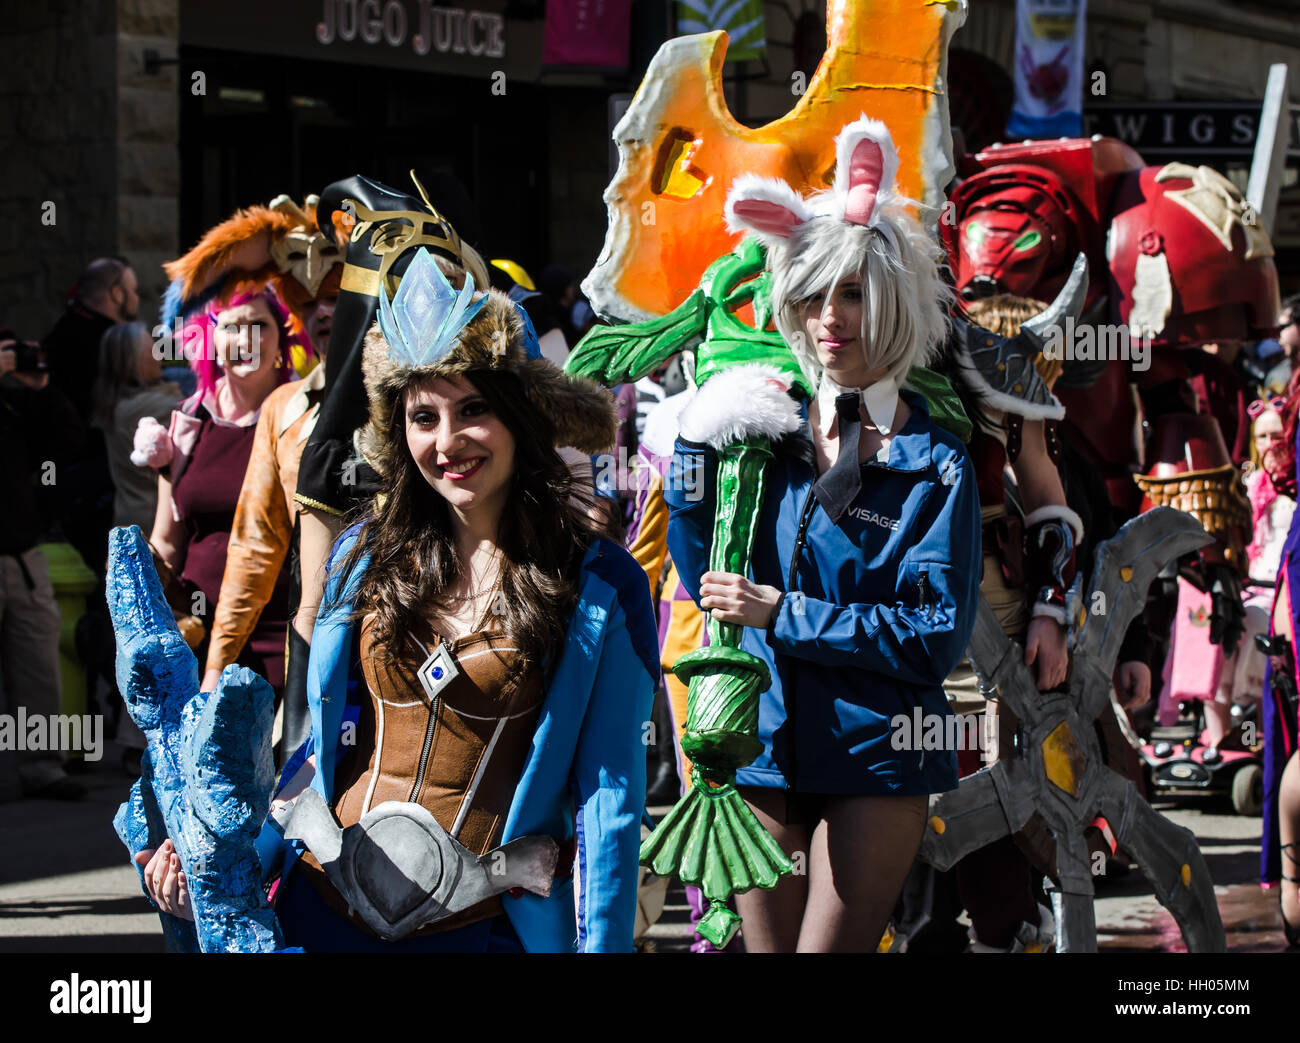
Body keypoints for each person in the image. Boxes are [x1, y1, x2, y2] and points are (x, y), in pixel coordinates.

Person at [138, 249, 656, 952]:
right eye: (423, 415)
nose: (448, 441)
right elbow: (317, 749)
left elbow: (610, 803)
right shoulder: (361, 554)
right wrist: (215, 868)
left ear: (524, 416)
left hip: (481, 928)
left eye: (474, 408)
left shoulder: (600, 583)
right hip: (322, 909)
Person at [663, 118, 982, 951]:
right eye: (811, 295)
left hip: (879, 753)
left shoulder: (936, 462)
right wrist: (693, 449)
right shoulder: (762, 435)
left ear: (893, 301)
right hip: (760, 746)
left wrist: (787, 612)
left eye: (851, 293)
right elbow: (708, 584)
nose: (829, 318)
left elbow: (932, 642)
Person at [139, 285, 298, 693]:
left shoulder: (305, 419)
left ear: (282, 334)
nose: (245, 340)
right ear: (209, 338)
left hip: (283, 638)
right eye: (232, 327)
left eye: (259, 325)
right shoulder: (187, 423)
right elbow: (167, 543)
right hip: (197, 637)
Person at [0, 333, 87, 801]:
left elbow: (66, 444)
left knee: (37, 667)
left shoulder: (17, 401)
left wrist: (39, 388)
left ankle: (40, 766)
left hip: (22, 553)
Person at [41, 256, 141, 575]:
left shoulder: (58, 334)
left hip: (67, 478)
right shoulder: (113, 344)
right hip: (100, 479)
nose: (138, 299)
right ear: (116, 294)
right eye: (133, 291)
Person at [93, 322, 183, 533]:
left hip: (130, 513)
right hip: (153, 521)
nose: (159, 354)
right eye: (150, 348)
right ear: (131, 361)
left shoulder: (115, 402)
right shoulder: (144, 406)